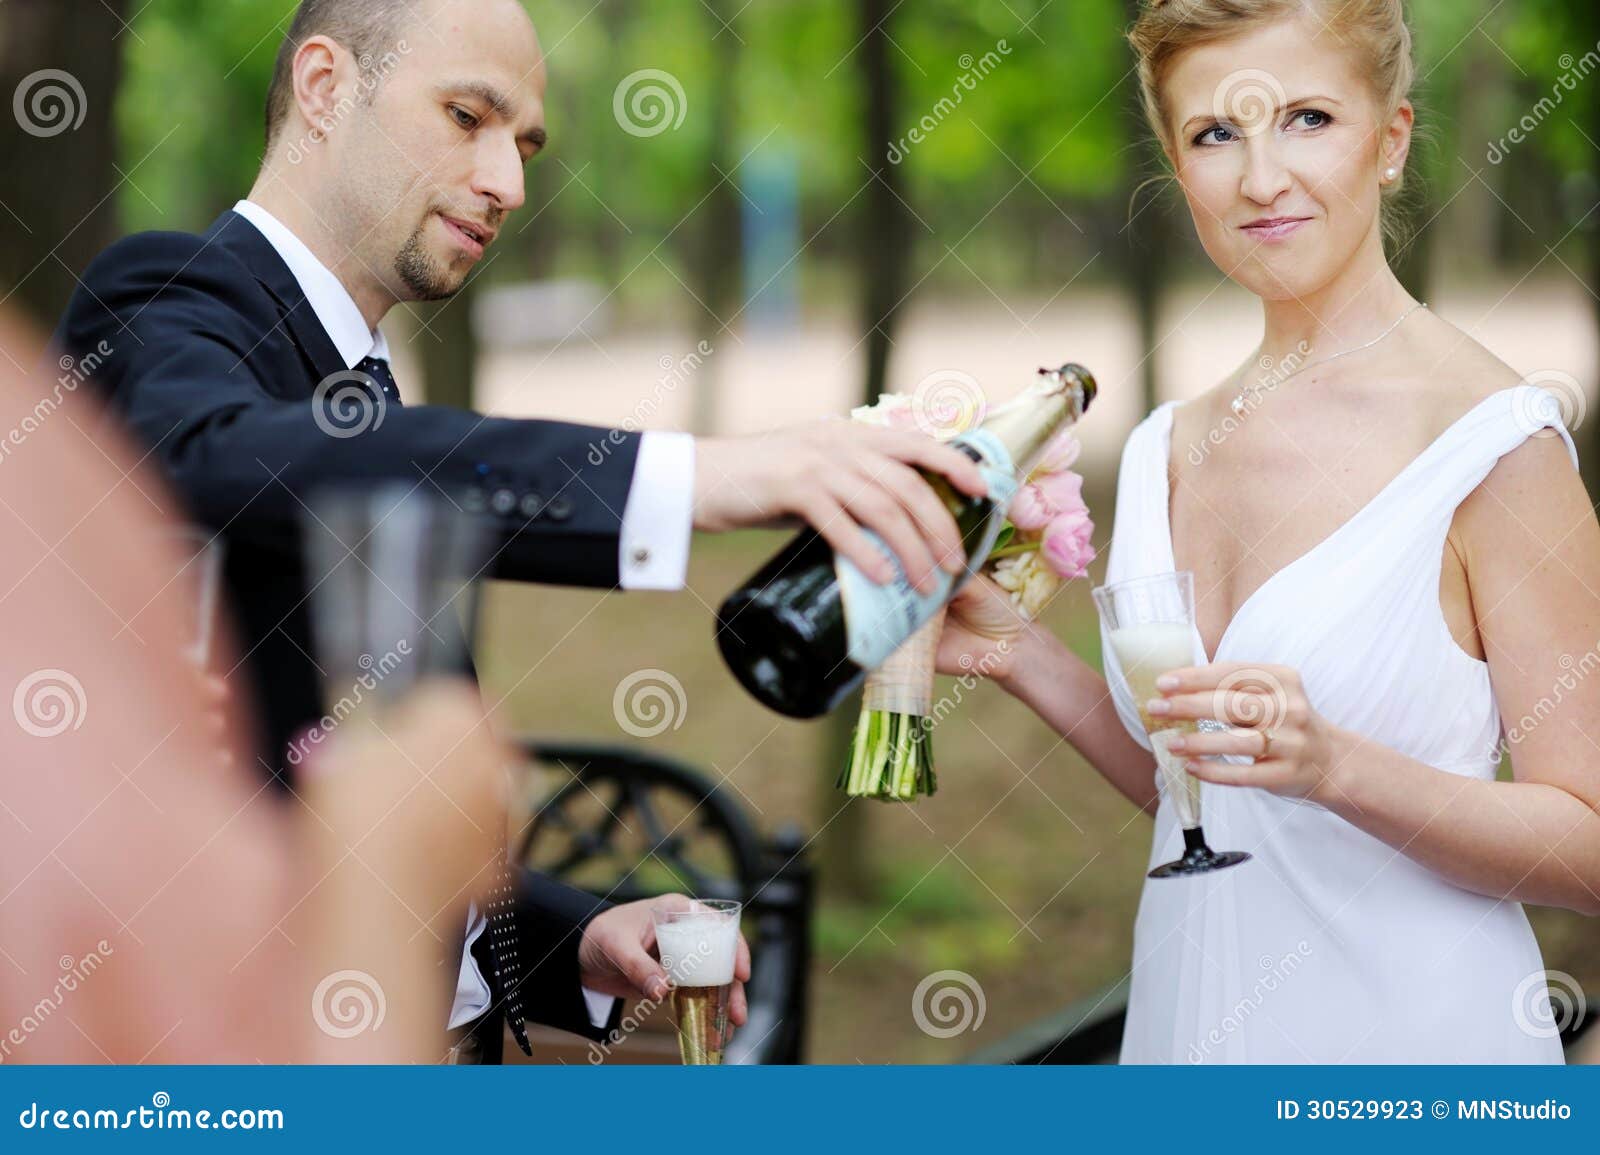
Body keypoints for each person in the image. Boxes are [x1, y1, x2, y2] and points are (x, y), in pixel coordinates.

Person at [51, 0, 973, 1058]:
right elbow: (213, 454)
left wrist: (573, 935)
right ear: (322, 87)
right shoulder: (162, 300)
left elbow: (336, 798)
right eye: (465, 116)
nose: (511, 183)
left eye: (525, 143)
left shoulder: (370, 399)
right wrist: (689, 478)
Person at [938, 0, 1600, 1063]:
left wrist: (1336, 765)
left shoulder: (1492, 447)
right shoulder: (1162, 447)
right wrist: (1011, 651)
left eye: (1306, 119)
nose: (1259, 178)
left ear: (1388, 142)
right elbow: (1200, 798)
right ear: (1173, 161)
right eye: (1214, 134)